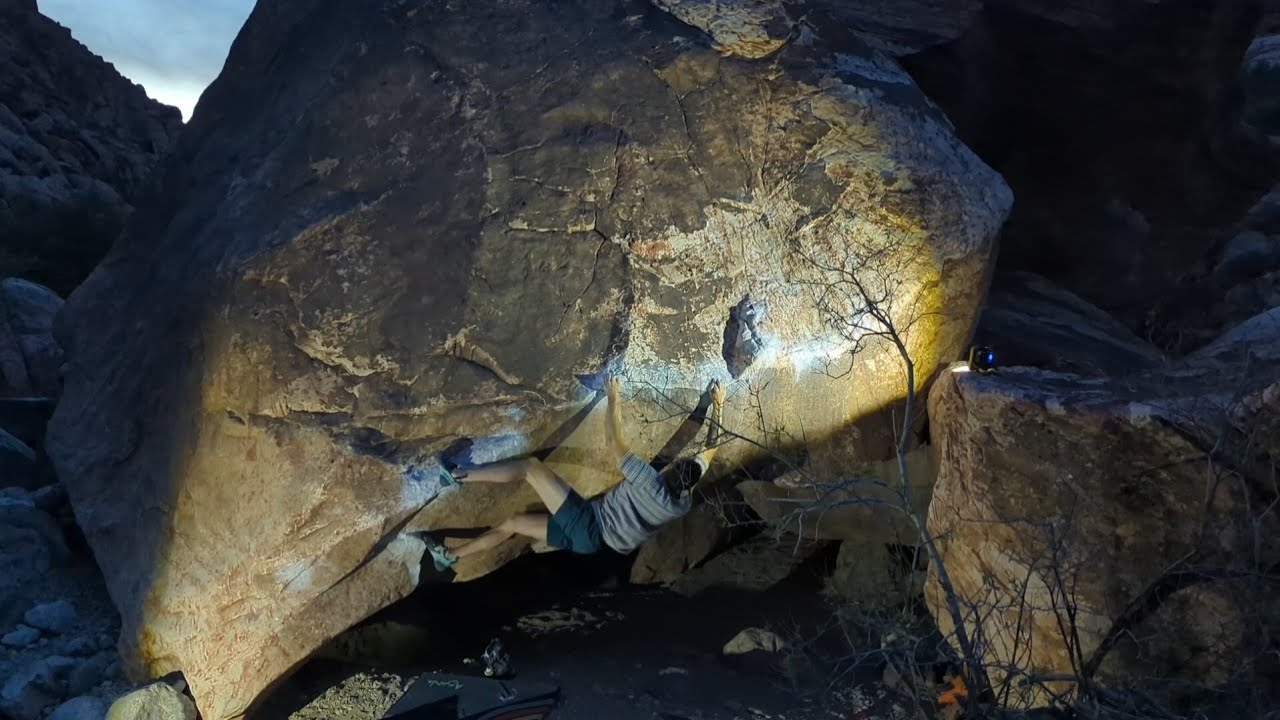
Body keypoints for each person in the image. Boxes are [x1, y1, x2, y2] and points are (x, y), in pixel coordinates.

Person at [425, 375, 727, 570]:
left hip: (589, 524)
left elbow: (613, 441)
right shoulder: (682, 503)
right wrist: (718, 407)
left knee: (531, 469)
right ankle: (450, 557)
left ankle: (456, 474)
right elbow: (708, 456)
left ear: (671, 469)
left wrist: (613, 398)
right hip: (591, 545)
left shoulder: (648, 480)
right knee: (514, 523)